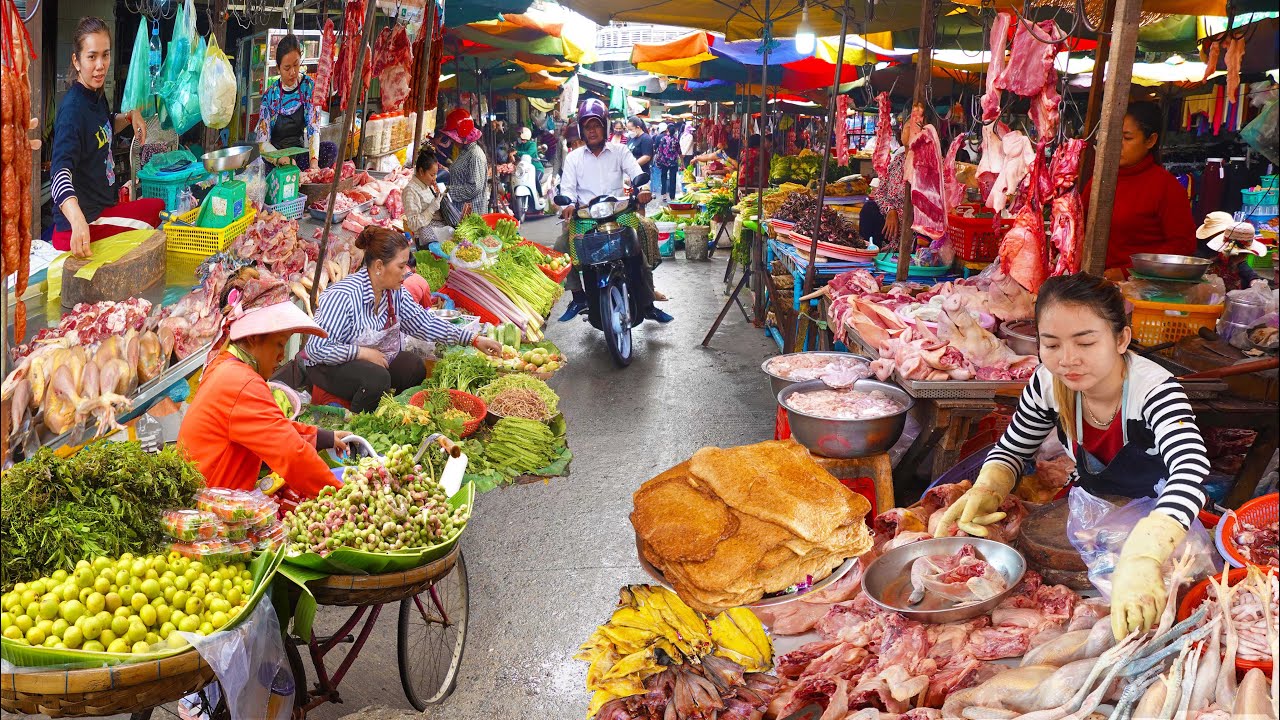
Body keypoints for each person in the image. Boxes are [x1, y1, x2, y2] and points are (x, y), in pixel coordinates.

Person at [934, 273, 1211, 640]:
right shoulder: (1048, 383)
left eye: (1085, 342)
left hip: (1168, 523)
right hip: (1093, 520)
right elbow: (1013, 449)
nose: (1067, 360)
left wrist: (1144, 554)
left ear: (1121, 338)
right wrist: (989, 486)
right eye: (1051, 344)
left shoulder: (1155, 391)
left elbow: (1191, 470)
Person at [178, 268, 348, 498]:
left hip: (212, 500)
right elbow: (291, 454)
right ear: (252, 337)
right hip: (212, 511)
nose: (282, 356)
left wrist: (322, 437)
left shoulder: (225, 365)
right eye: (279, 345)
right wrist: (342, 497)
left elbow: (274, 428)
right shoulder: (241, 382)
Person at [305, 227, 503, 412]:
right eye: (401, 266)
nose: (406, 272)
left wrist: (474, 339)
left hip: (373, 359)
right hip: (328, 365)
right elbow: (316, 349)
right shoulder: (343, 296)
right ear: (379, 266)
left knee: (413, 367)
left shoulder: (395, 293)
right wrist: (361, 353)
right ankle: (360, 424)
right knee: (377, 379)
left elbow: (423, 323)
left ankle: (392, 412)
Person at [554, 98, 673, 324]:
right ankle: (578, 296)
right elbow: (567, 189)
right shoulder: (573, 158)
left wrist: (644, 189)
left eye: (596, 125)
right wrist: (567, 204)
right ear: (581, 129)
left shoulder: (620, 151)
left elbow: (636, 173)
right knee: (561, 246)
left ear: (604, 126)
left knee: (642, 242)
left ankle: (648, 304)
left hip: (619, 214)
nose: (592, 131)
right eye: (587, 126)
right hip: (586, 217)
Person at [51, 17, 161, 259]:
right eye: (92, 57)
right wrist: (77, 218)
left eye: (105, 55)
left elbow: (105, 125)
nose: (100, 65)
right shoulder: (72, 110)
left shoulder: (96, 96)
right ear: (76, 61)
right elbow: (59, 173)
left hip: (103, 210)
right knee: (157, 211)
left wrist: (131, 116)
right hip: (81, 226)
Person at [1083, 102, 1196, 276]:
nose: (1117, 144)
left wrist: (1129, 271)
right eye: (1114, 136)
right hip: (1092, 285)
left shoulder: (1166, 187)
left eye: (1127, 138)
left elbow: (1183, 246)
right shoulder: (1098, 182)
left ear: (1150, 140)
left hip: (1142, 290)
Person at [256, 34, 320, 170]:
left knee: (331, 149)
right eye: (287, 68)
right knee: (268, 169)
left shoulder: (308, 86)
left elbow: (313, 128)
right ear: (278, 68)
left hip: (299, 153)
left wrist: (314, 163)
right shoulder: (270, 96)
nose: (292, 72)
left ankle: (308, 175)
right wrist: (282, 159)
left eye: (296, 65)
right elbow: (262, 144)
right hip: (276, 155)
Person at [441, 108, 488, 216]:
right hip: (460, 211)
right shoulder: (464, 151)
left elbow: (473, 188)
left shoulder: (475, 154)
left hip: (472, 216)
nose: (452, 140)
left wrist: (448, 192)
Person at [402, 147, 451, 247]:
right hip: (426, 239)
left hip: (439, 229)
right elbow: (413, 223)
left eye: (436, 174)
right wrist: (431, 209)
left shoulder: (427, 184)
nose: (435, 178)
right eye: (432, 175)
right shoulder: (410, 190)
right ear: (421, 171)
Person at [653, 123, 682, 201]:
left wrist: (658, 160)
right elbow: (679, 151)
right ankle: (672, 197)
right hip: (673, 162)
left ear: (667, 130)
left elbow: (660, 150)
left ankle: (664, 195)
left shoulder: (663, 139)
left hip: (664, 161)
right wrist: (681, 162)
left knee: (664, 177)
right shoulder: (676, 140)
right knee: (673, 179)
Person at [515, 125, 545, 191]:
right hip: (525, 169)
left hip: (537, 168)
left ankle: (540, 196)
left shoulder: (532, 144)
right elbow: (516, 152)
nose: (519, 137)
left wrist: (517, 152)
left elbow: (528, 154)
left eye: (520, 135)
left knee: (535, 179)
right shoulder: (520, 145)